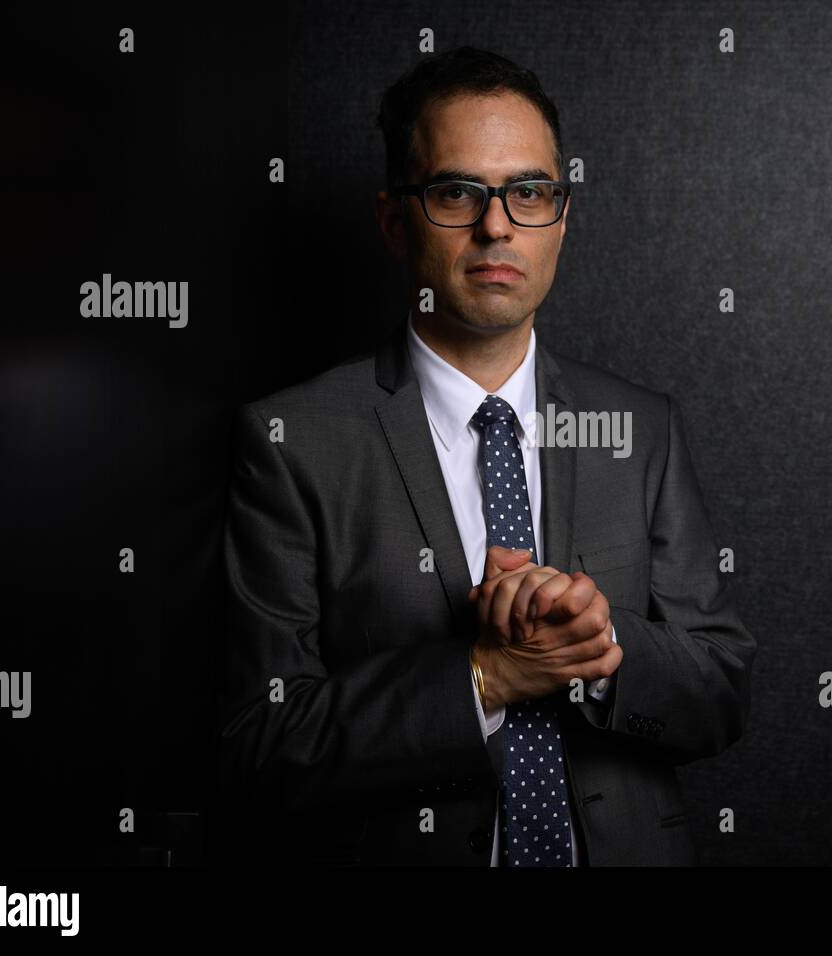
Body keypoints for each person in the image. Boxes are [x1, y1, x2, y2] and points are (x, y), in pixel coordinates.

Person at [217, 46, 756, 865]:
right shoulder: (293, 443)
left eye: (529, 191)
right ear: (395, 221)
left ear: (561, 218)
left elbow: (721, 693)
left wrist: (601, 648)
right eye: (456, 192)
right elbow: (261, 743)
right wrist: (485, 677)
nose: (497, 225)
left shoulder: (641, 425)